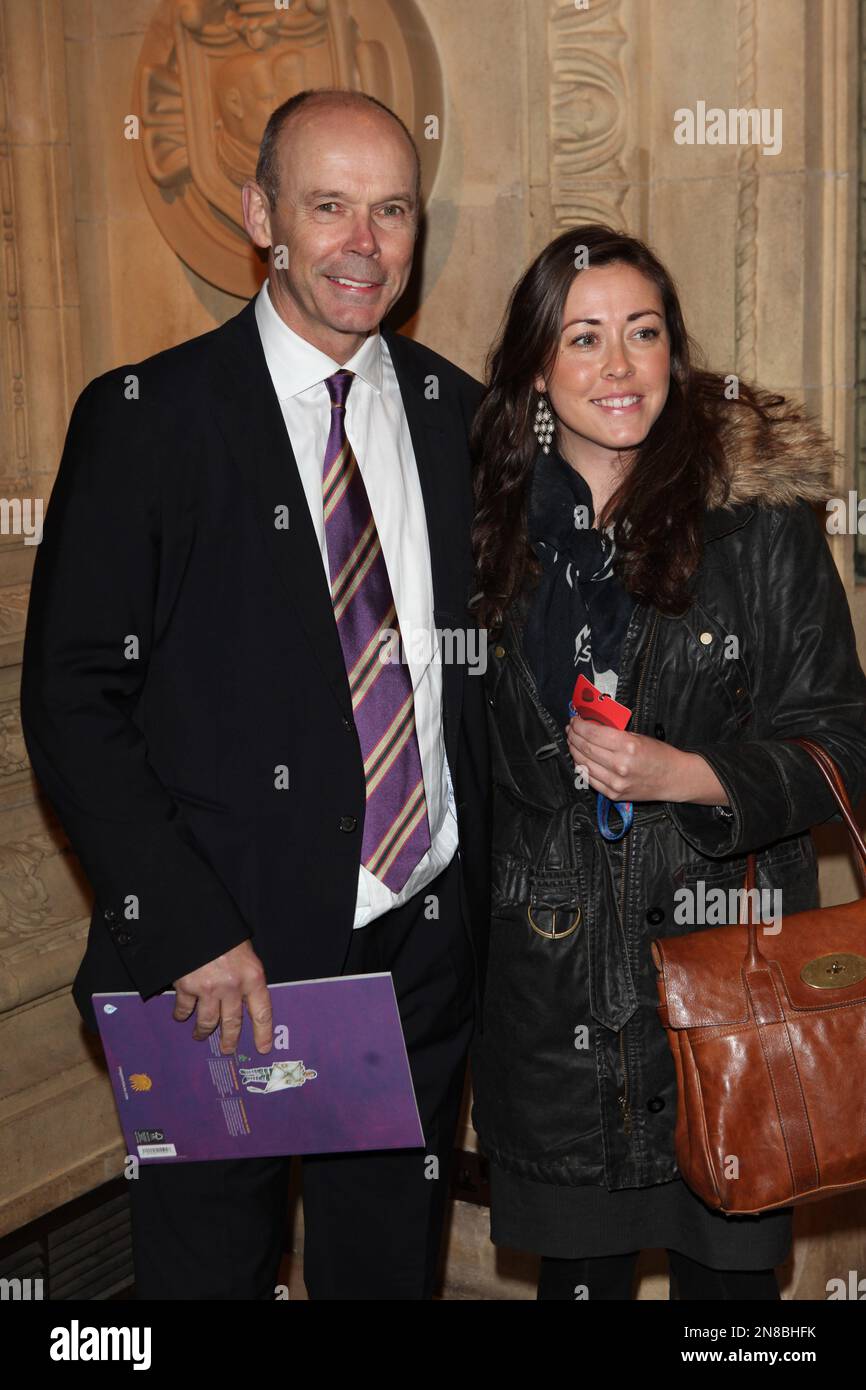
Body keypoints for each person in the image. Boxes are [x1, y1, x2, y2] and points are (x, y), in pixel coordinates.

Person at [20, 88, 491, 1301]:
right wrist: (184, 929)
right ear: (260, 217)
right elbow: (73, 698)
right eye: (327, 205)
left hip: (414, 948)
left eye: (391, 210)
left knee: (386, 1277)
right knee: (208, 1283)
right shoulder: (150, 418)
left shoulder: (458, 418)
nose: (362, 243)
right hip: (215, 977)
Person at [468, 223, 866, 1301]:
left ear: (673, 352)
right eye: (583, 336)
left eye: (641, 333)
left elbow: (843, 740)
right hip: (553, 1012)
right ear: (538, 369)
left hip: (727, 1000)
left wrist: (683, 774)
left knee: (731, 1315)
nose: (617, 365)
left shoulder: (756, 524)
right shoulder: (484, 529)